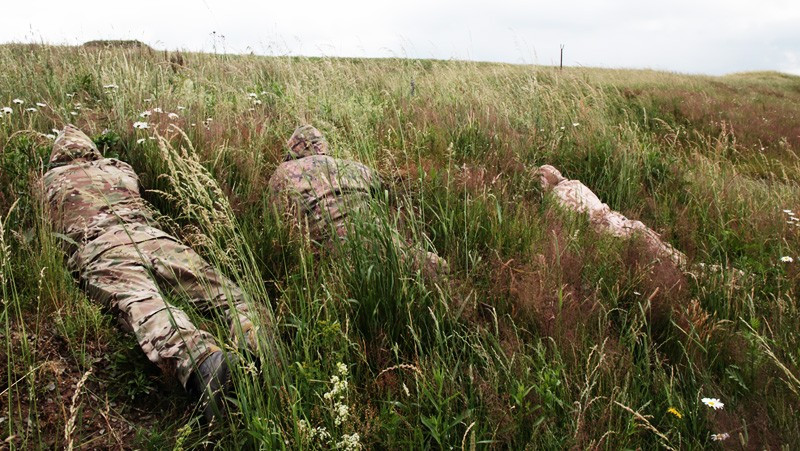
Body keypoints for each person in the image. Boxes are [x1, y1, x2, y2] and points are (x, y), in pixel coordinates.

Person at [43, 125, 257, 421]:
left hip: (101, 247)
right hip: (150, 235)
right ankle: (258, 341)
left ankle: (204, 362)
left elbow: (49, 230)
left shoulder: (49, 181)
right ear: (92, 149)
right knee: (219, 290)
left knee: (145, 304)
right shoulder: (120, 168)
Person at [267, 125, 448, 278]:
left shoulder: (282, 173)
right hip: (380, 241)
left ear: (292, 150)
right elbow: (388, 194)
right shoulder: (352, 166)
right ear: (323, 147)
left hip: (331, 258)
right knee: (433, 266)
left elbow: (278, 223)